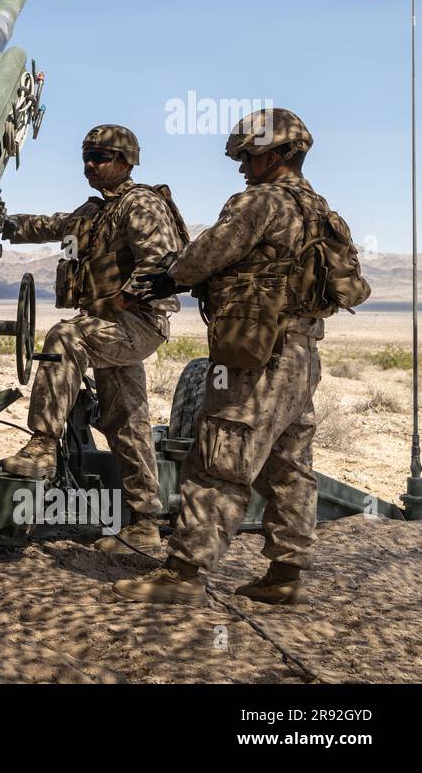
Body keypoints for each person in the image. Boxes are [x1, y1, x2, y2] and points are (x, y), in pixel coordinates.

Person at [113, 109, 366, 605]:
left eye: (248, 155)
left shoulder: (261, 202)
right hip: (301, 355)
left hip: (257, 356)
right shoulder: (320, 209)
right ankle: (285, 574)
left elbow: (208, 254)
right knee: (288, 464)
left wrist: (169, 277)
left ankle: (183, 574)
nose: (242, 165)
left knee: (219, 458)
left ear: (277, 154)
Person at [0, 125, 189, 552]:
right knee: (127, 421)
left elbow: (162, 263)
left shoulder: (140, 204)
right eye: (86, 156)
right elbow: (52, 225)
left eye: (100, 157)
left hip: (137, 323)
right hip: (111, 326)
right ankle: (144, 523)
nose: (90, 165)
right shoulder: (95, 211)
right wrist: (2, 223)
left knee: (66, 336)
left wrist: (121, 300)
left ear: (125, 161)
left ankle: (42, 445)